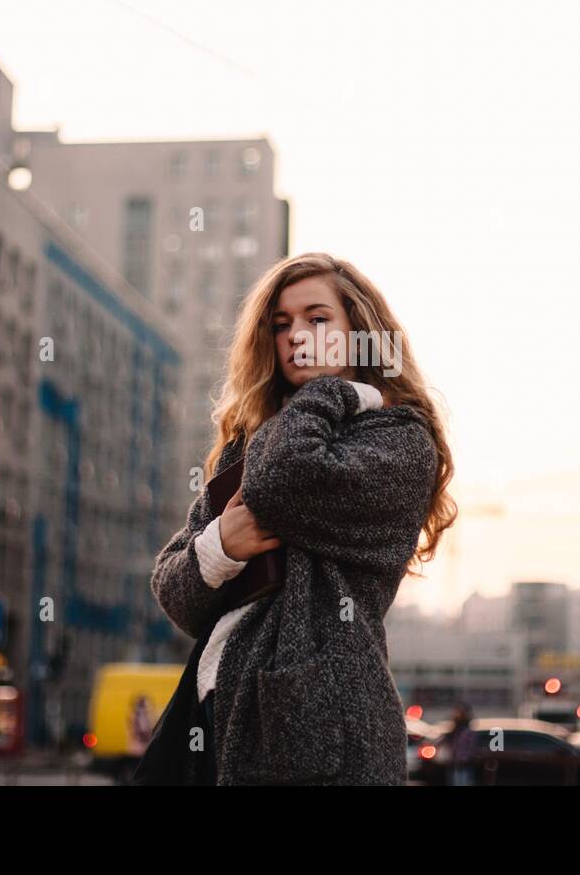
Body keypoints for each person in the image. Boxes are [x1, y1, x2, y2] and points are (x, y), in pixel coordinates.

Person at [150, 252, 457, 785]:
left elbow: (282, 480)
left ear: (360, 332)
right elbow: (174, 591)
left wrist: (328, 389)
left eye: (318, 319)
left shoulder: (401, 440)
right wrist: (222, 543)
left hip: (322, 728)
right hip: (217, 720)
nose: (296, 335)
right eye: (281, 324)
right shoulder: (248, 446)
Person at [445, 703, 479, 786]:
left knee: (463, 781)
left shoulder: (467, 731)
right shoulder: (455, 730)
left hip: (465, 764)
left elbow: (471, 748)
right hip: (455, 763)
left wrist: (466, 758)